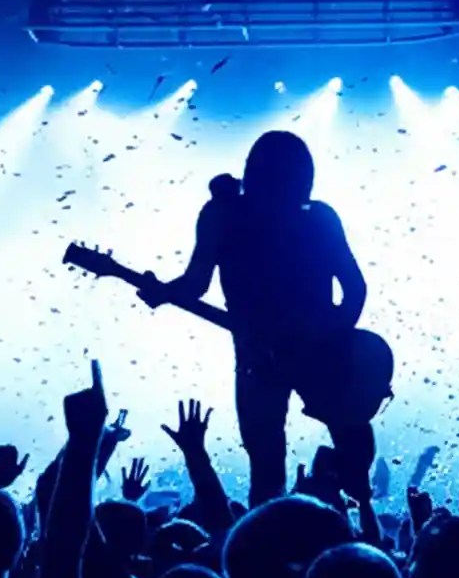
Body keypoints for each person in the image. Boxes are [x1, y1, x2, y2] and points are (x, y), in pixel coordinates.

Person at [139, 131, 368, 506]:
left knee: (304, 471)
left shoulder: (232, 215)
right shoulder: (225, 216)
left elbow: (355, 291)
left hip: (287, 358)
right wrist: (165, 291)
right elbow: (354, 291)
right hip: (261, 360)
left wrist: (326, 339)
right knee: (272, 473)